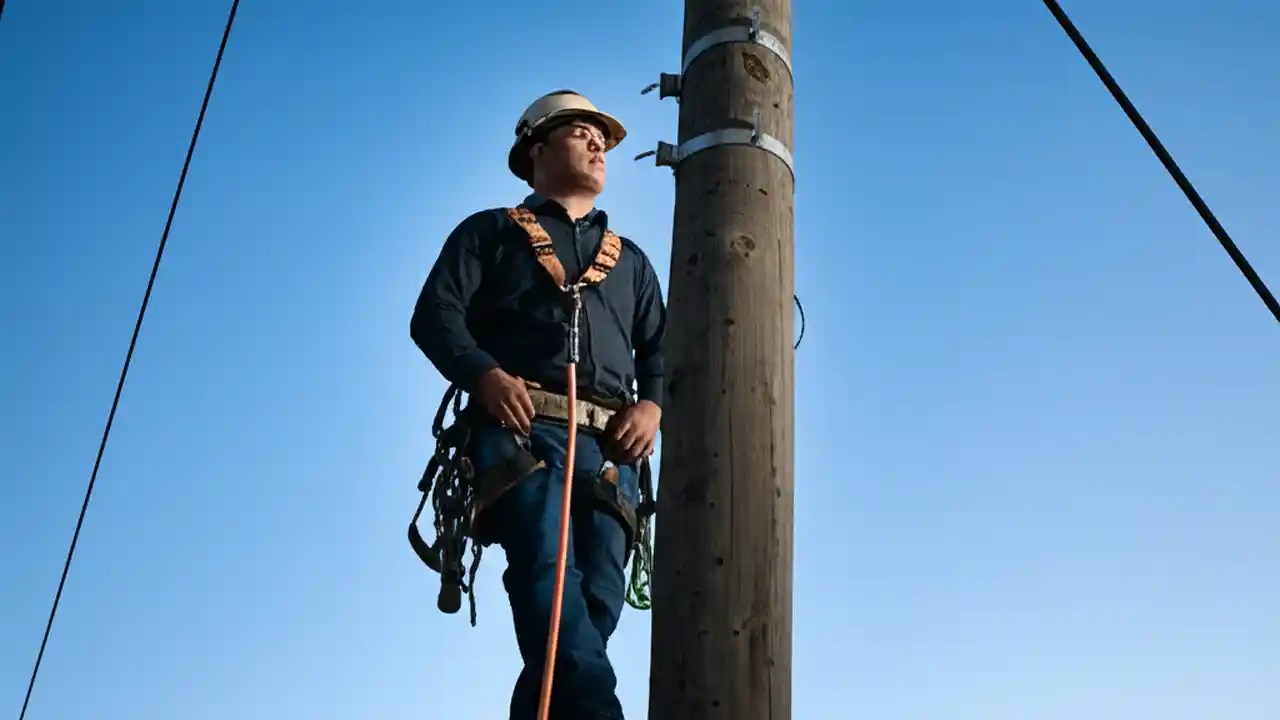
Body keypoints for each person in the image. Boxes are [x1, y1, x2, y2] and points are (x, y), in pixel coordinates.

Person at [409, 90, 666, 719]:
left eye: (601, 136)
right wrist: (485, 374)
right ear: (536, 148)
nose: (598, 143)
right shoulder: (490, 233)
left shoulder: (631, 262)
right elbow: (435, 315)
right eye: (581, 131)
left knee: (596, 607)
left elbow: (661, 349)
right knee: (549, 586)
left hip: (612, 449)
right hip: (521, 432)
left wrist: (653, 406)